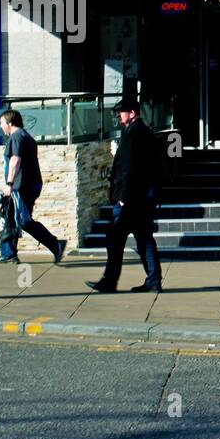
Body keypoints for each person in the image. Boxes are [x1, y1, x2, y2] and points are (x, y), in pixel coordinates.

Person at [86, 99, 163, 294]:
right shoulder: (146, 133)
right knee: (144, 239)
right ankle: (153, 280)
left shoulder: (133, 134)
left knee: (114, 238)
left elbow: (130, 169)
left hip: (130, 200)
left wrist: (123, 198)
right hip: (144, 199)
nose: (118, 116)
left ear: (132, 113)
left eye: (122, 112)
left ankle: (109, 282)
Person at [0, 110, 65, 264]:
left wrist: (9, 185)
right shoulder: (26, 137)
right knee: (11, 219)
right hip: (28, 185)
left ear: (9, 123)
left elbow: (15, 160)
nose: (1, 127)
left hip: (21, 187)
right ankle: (8, 253)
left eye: (2, 123)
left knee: (20, 220)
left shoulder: (16, 137)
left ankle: (55, 245)